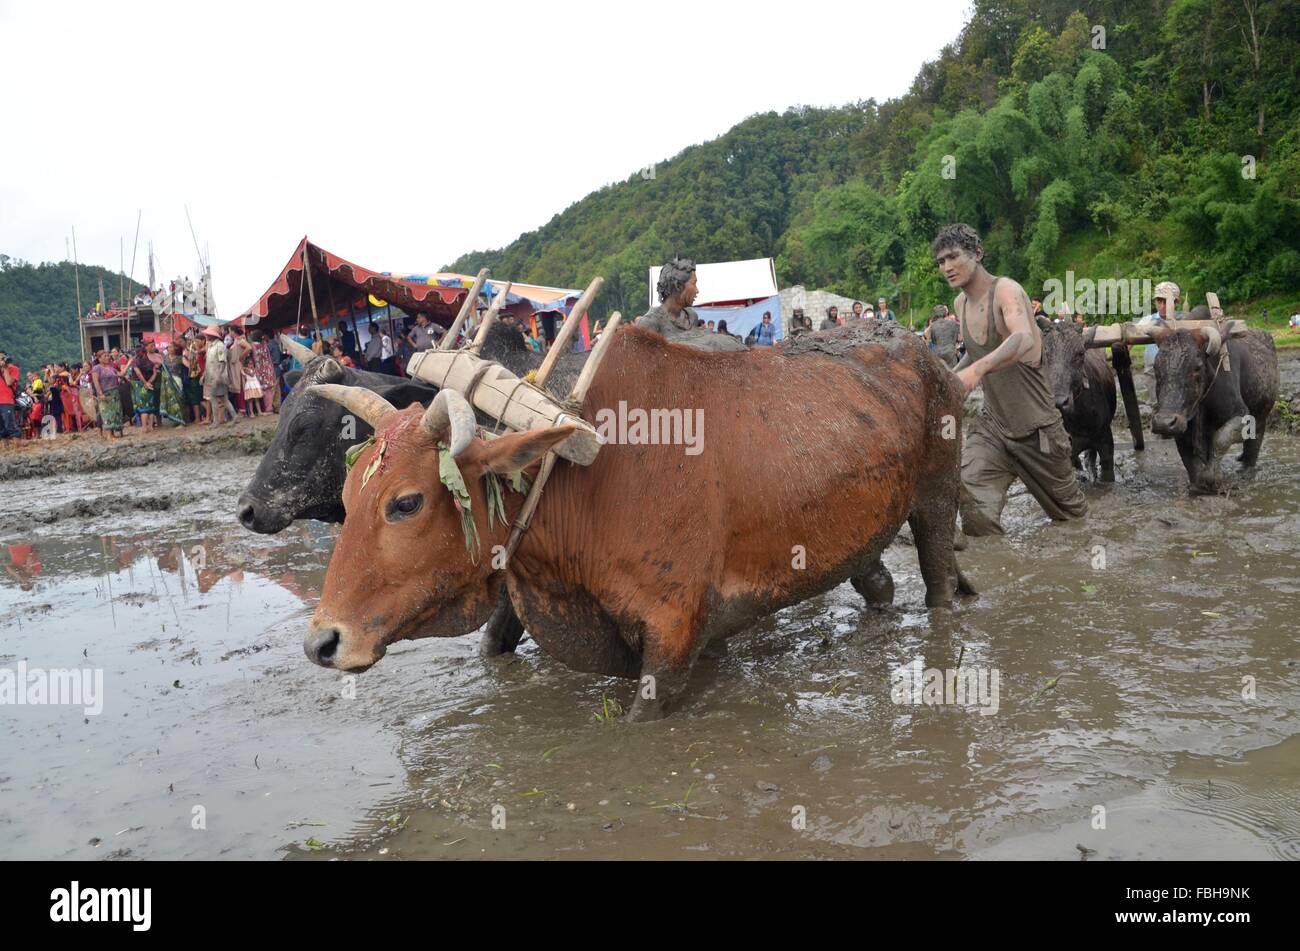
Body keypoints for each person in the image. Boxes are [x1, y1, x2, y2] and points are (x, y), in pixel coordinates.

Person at [933, 222, 1085, 537]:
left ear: (977, 253)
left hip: (1037, 431)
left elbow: (1024, 339)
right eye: (940, 262)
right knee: (974, 508)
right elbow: (976, 353)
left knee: (1074, 522)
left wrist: (976, 372)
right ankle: (1000, 572)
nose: (947, 267)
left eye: (953, 257)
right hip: (994, 428)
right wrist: (951, 377)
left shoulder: (1006, 291)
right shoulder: (961, 304)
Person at [636, 257, 745, 352]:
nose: (697, 290)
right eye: (694, 284)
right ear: (678, 286)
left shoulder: (691, 316)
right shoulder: (650, 323)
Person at [202, 326, 234, 425]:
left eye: (208, 334)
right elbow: (209, 363)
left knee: (215, 398)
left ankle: (216, 421)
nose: (206, 335)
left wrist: (218, 376)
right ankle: (234, 416)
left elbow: (223, 362)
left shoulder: (220, 346)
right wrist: (204, 375)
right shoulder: (211, 346)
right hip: (212, 377)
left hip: (218, 377)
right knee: (223, 399)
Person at [90, 350, 125, 438]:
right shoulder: (96, 368)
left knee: (115, 413)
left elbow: (121, 374)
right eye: (105, 356)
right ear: (99, 358)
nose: (107, 357)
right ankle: (108, 435)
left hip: (115, 393)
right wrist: (100, 393)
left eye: (108, 356)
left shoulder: (111, 367)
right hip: (105, 393)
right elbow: (96, 382)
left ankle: (113, 433)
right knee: (106, 413)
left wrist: (129, 363)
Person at [129, 341, 160, 432]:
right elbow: (155, 373)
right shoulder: (150, 361)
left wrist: (145, 383)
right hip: (150, 383)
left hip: (139, 384)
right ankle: (150, 427)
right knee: (150, 406)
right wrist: (149, 382)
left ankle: (144, 427)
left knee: (143, 407)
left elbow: (138, 373)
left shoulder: (135, 361)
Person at [0, 351, 21, 443]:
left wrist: (4, 368)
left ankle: (18, 451)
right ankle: (6, 452)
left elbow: (9, 382)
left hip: (6, 401)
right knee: (1, 430)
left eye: (2, 358)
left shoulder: (13, 368)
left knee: (11, 428)